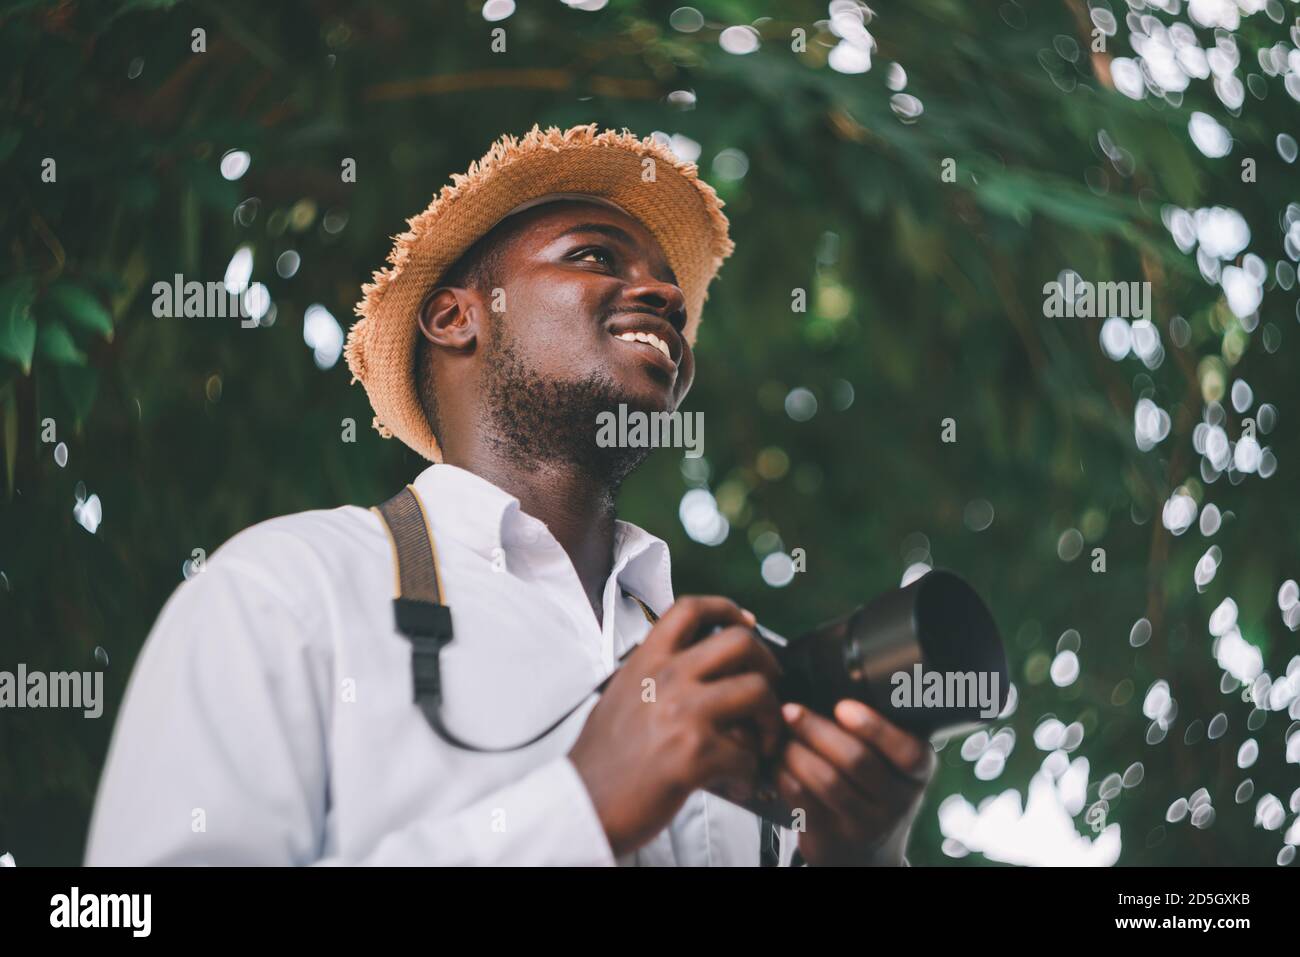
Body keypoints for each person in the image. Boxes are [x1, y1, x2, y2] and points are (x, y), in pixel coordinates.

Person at [85, 124, 935, 866]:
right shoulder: (290, 589)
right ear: (457, 317)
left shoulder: (746, 664)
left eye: (671, 286)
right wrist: (580, 809)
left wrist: (861, 856)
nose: (669, 297)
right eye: (596, 255)